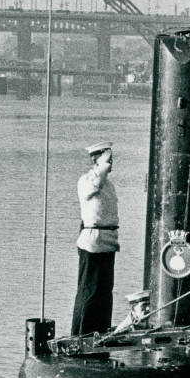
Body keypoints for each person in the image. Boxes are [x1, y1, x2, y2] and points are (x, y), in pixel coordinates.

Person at [71, 141, 119, 336]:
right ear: (95, 159)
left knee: (104, 293)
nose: (111, 163)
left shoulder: (108, 184)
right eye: (108, 158)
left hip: (108, 241)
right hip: (92, 242)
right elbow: (94, 185)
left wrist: (103, 167)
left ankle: (99, 331)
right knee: (88, 292)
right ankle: (81, 334)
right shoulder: (86, 181)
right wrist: (102, 167)